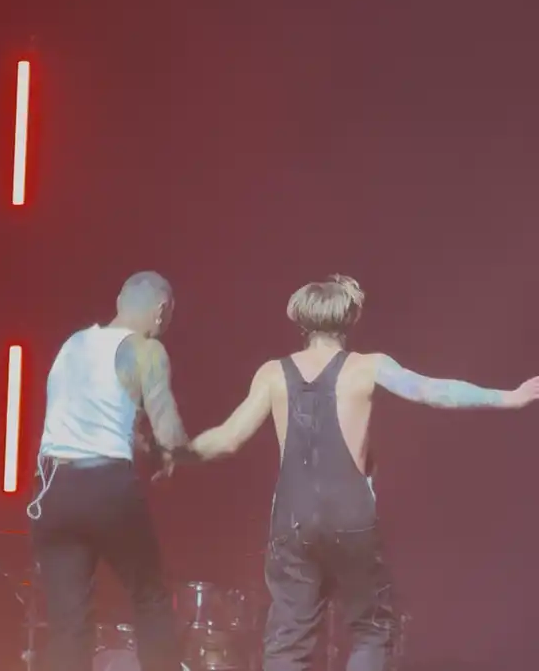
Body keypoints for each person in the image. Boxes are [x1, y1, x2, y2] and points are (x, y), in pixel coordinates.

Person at [172, 275, 539, 671]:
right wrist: (509, 397)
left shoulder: (272, 374)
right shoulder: (368, 367)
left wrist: (176, 454)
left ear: (301, 318)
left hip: (293, 518)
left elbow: (228, 438)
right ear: (350, 317)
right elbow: (433, 391)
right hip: (350, 515)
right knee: (371, 630)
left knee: (287, 641)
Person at [27, 271, 188, 671]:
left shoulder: (73, 344)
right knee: (150, 598)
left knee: (68, 624)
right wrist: (175, 457)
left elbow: (93, 417)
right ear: (161, 310)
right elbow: (168, 430)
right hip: (106, 488)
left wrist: (140, 442)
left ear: (119, 300)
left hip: (53, 490)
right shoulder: (145, 350)